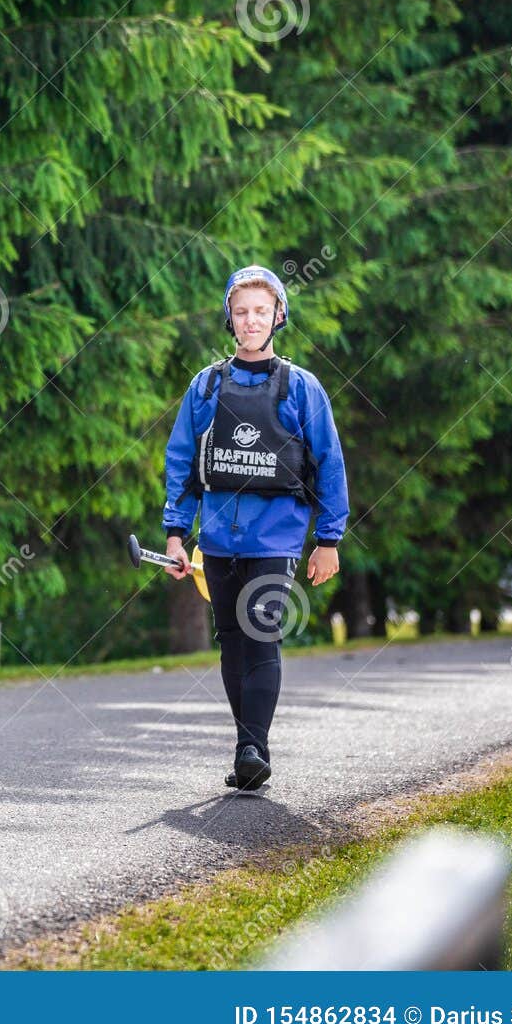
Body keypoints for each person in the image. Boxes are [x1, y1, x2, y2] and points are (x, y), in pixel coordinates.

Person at [161, 265, 349, 791]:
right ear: (229, 317)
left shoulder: (302, 389)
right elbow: (180, 463)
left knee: (261, 637)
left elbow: (329, 464)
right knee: (231, 642)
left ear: (278, 316)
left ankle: (253, 747)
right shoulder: (205, 386)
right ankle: (246, 743)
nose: (250, 321)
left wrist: (328, 540)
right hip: (218, 541)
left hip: (278, 540)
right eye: (241, 312)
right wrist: (177, 533)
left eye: (260, 312)